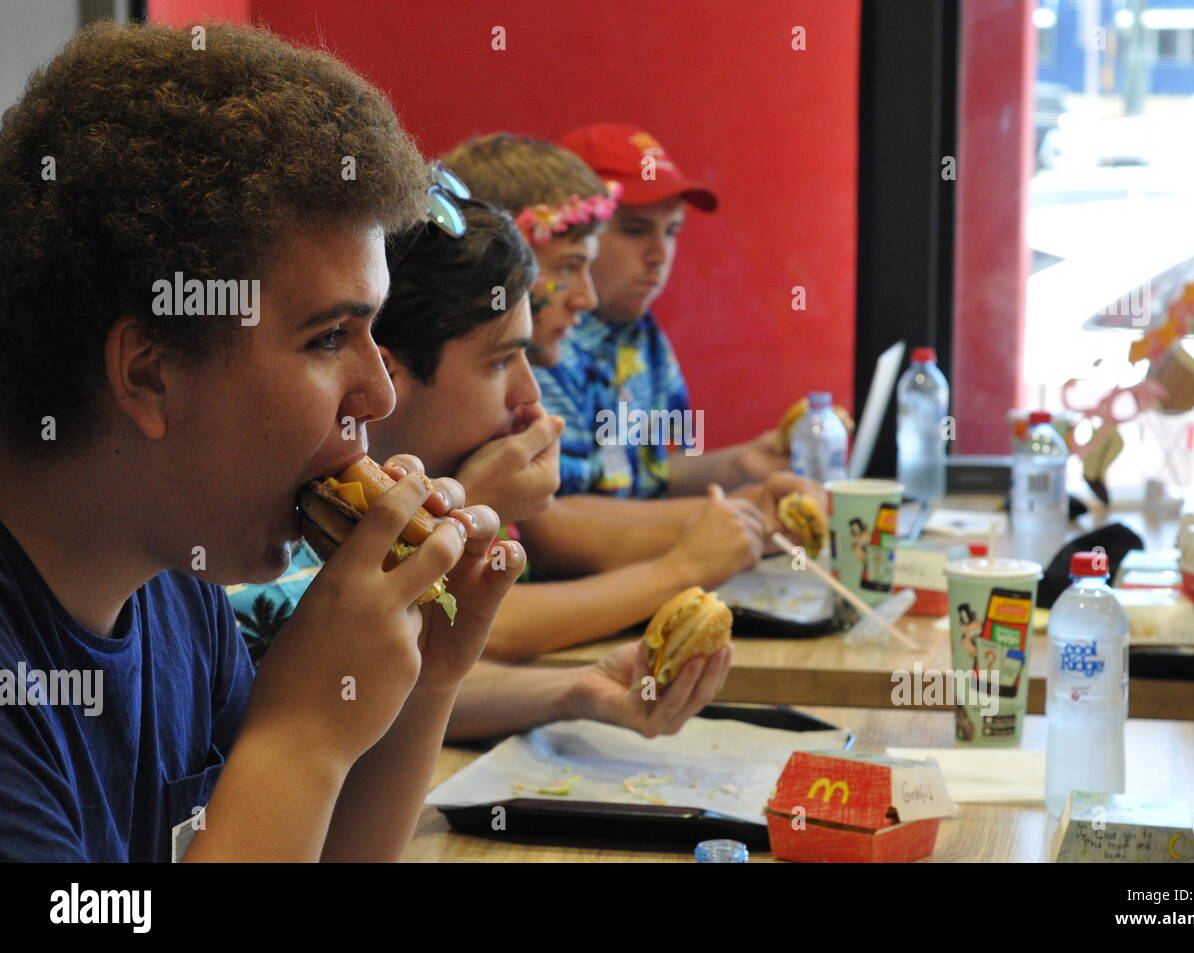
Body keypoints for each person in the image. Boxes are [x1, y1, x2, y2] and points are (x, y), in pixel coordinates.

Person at [0, 22, 511, 862]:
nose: (381, 392)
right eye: (326, 338)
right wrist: (301, 736)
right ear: (151, 373)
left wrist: (427, 680)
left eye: (372, 329)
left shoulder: (175, 586)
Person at [232, 197, 736, 715]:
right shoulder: (261, 552)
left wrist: (581, 691)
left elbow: (423, 683)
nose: (531, 397)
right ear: (388, 376)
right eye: (500, 362)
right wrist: (684, 568)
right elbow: (337, 703)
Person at [445, 133, 823, 570]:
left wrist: (740, 463)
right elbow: (549, 527)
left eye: (672, 232)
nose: (659, 255)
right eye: (633, 230)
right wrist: (743, 519)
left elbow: (638, 469)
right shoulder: (532, 345)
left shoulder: (640, 334)